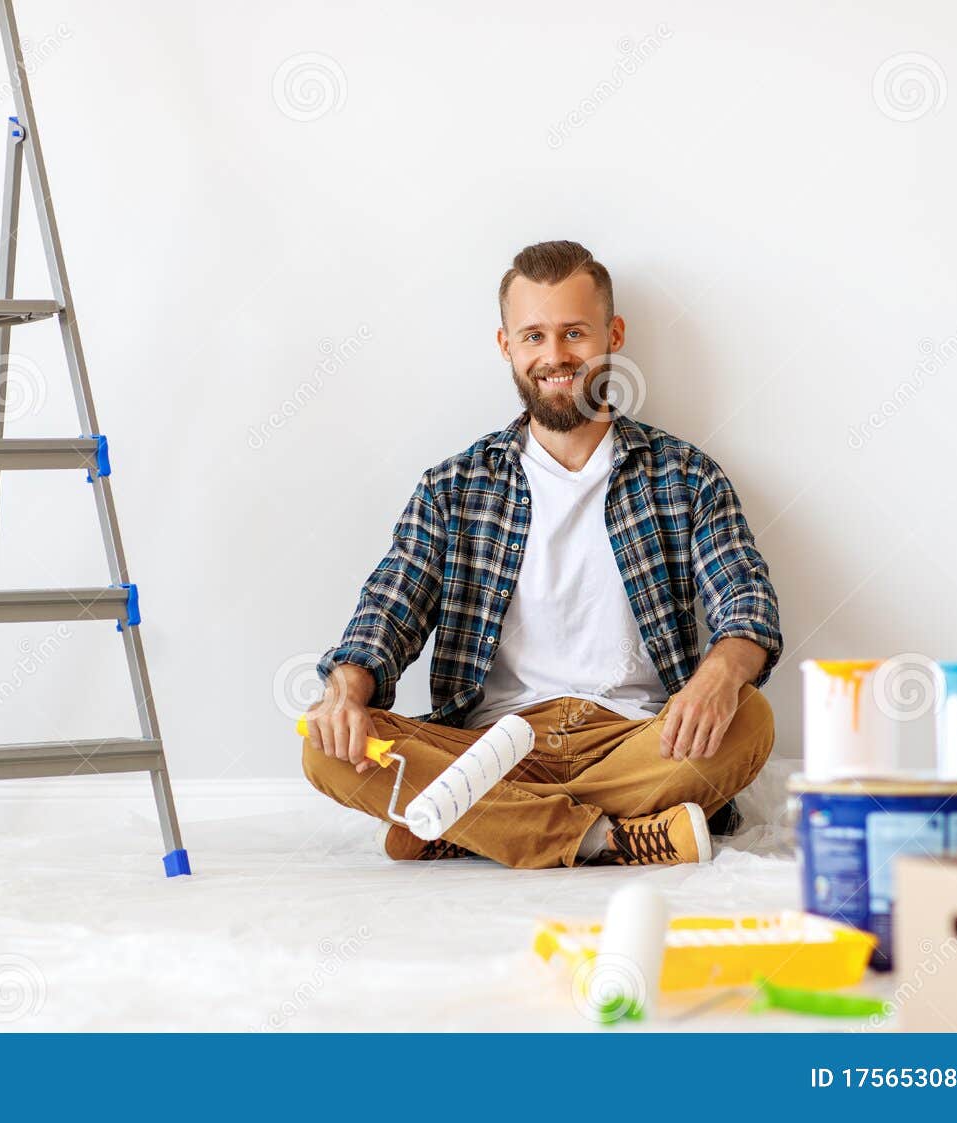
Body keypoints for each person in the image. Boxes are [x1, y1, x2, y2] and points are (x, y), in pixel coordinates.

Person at [301, 240, 780, 868]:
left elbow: (748, 604)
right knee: (324, 743)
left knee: (749, 718)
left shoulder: (685, 475)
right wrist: (345, 692)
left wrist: (716, 680)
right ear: (506, 345)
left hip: (635, 738)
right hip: (490, 745)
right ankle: (604, 837)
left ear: (613, 334)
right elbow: (388, 612)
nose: (555, 357)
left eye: (574, 333)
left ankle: (468, 822)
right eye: (533, 336)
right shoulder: (454, 487)